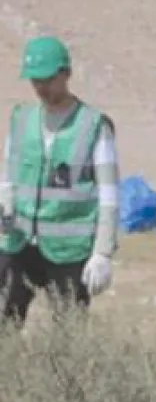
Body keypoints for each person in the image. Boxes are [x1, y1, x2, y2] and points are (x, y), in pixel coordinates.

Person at [0, 36, 119, 325]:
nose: (40, 87)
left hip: (69, 251)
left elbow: (108, 196)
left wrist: (102, 253)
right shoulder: (22, 119)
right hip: (19, 242)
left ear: (65, 74)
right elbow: (8, 177)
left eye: (47, 79)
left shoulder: (92, 125)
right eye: (34, 80)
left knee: (69, 332)